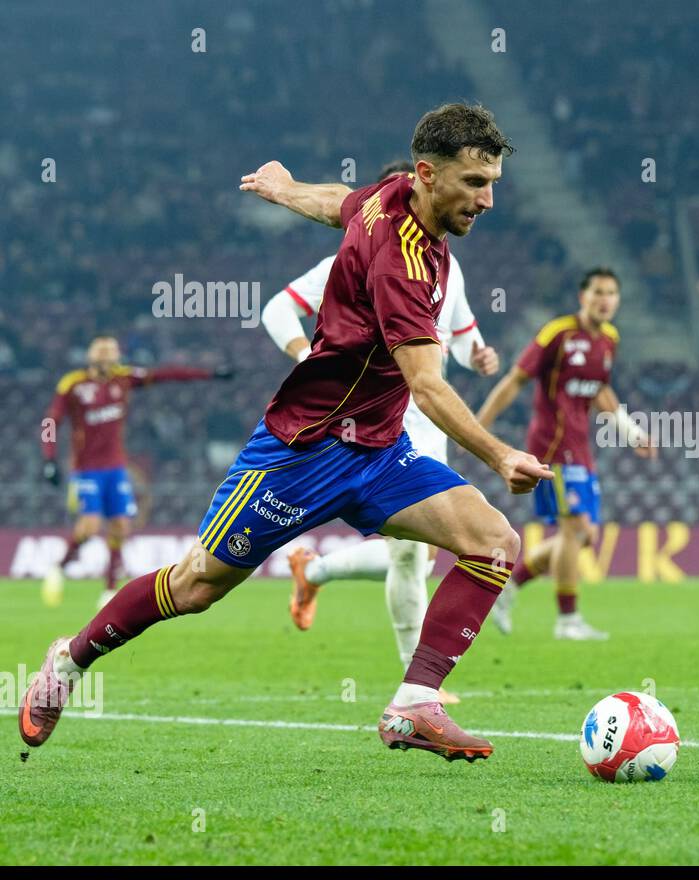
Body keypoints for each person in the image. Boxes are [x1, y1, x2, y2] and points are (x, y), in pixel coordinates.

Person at [21, 103, 551, 763]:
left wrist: (284, 189)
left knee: (493, 542)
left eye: (493, 181)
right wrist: (501, 455)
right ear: (426, 174)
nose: (489, 199)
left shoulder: (390, 198)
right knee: (195, 587)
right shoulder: (405, 265)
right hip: (303, 450)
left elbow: (341, 203)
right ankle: (66, 664)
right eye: (475, 183)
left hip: (379, 451)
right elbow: (428, 385)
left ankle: (415, 703)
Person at [260, 161, 500, 706]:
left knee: (416, 556)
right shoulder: (355, 251)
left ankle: (314, 571)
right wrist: (307, 356)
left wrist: (477, 354)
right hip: (366, 415)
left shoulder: (445, 262)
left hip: (427, 417)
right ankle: (416, 682)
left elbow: (457, 333)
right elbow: (278, 309)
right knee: (412, 557)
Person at [477, 269, 655, 641]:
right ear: (582, 296)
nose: (604, 299)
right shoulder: (557, 333)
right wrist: (478, 427)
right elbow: (515, 380)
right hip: (551, 446)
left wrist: (632, 432)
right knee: (573, 530)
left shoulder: (609, 340)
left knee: (585, 535)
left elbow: (601, 392)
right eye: (597, 292)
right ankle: (568, 620)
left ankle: (508, 588)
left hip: (581, 449)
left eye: (611, 293)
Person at [40, 335, 226, 608]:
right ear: (93, 358)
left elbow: (167, 375)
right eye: (105, 356)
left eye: (113, 355)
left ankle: (109, 590)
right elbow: (50, 420)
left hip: (115, 468)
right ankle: (59, 567)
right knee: (90, 527)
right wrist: (49, 458)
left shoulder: (123, 378)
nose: (110, 361)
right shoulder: (73, 384)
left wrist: (208, 375)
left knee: (120, 527)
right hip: (86, 470)